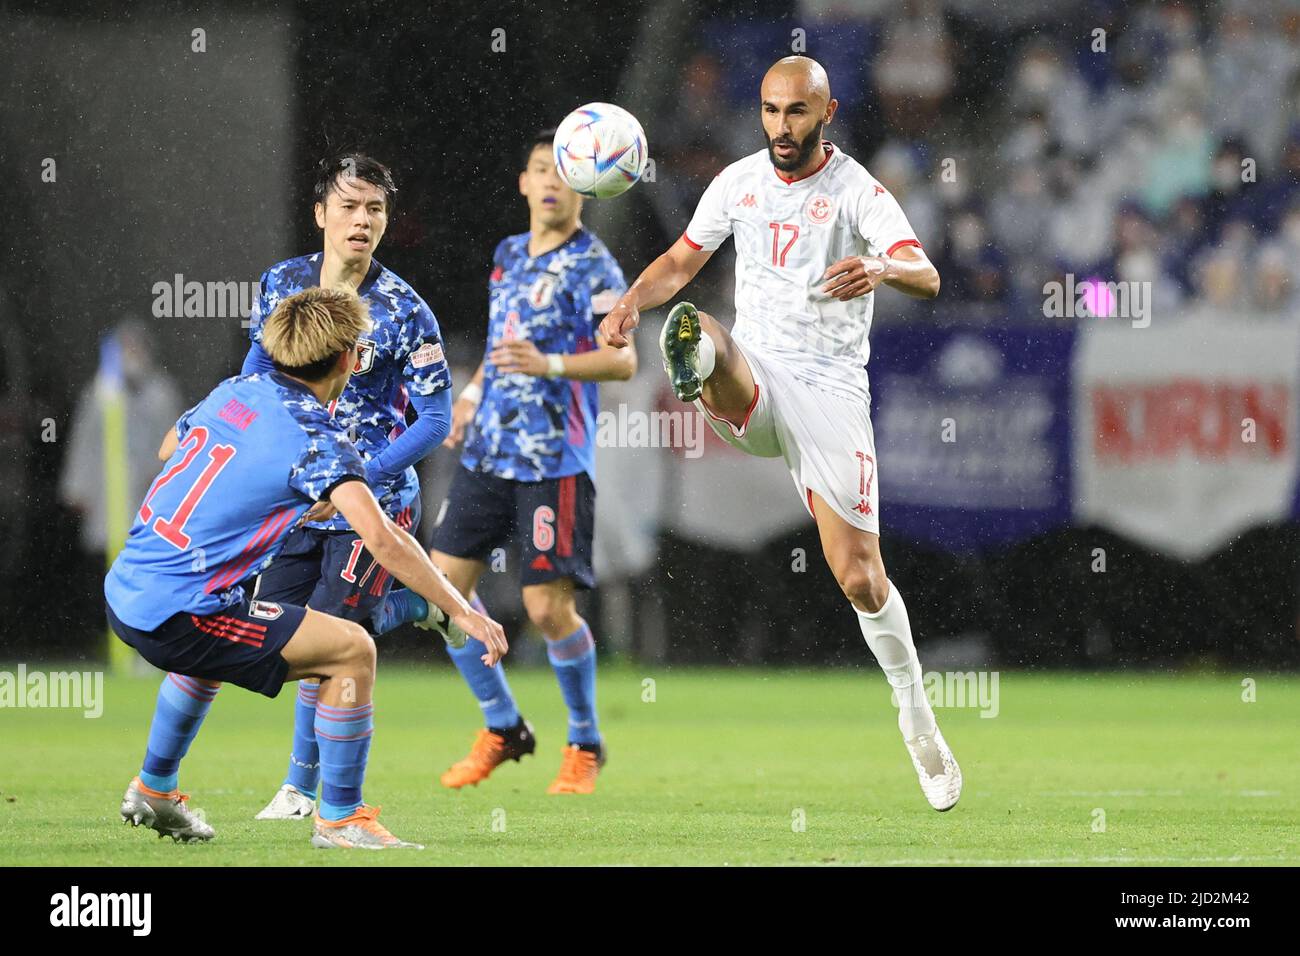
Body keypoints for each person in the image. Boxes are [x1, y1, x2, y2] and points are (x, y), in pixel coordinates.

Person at [600, 56, 962, 810]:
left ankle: (915, 711)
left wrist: (876, 267)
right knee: (705, 329)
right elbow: (681, 259)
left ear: (825, 113)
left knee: (859, 577)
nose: (781, 127)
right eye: (769, 111)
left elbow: (924, 272)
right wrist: (632, 302)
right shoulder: (737, 183)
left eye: (796, 112)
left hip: (829, 392)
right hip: (757, 373)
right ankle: (697, 360)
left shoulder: (857, 188)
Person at [105, 287, 508, 849]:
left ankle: (155, 787)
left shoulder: (235, 390)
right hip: (181, 613)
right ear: (349, 358)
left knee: (220, 642)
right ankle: (340, 819)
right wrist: (461, 609)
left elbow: (172, 447)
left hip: (128, 590)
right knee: (352, 651)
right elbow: (385, 538)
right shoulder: (317, 439)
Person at [375, 129, 633, 794]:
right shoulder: (508, 255)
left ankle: (584, 740)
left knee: (545, 609)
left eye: (565, 173)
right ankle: (504, 726)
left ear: (584, 186)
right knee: (441, 598)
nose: (551, 182)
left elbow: (624, 359)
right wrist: (471, 395)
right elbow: (502, 340)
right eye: (541, 170)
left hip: (554, 460)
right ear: (523, 183)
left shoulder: (596, 268)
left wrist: (551, 363)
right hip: (489, 453)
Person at [218, 154, 457, 821]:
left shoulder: (407, 309)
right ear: (321, 214)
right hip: (299, 497)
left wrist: (360, 475)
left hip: (369, 502)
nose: (362, 221)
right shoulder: (283, 284)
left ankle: (299, 790)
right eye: (349, 207)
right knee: (271, 638)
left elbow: (435, 417)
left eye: (375, 209)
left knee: (328, 637)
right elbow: (257, 379)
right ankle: (410, 609)